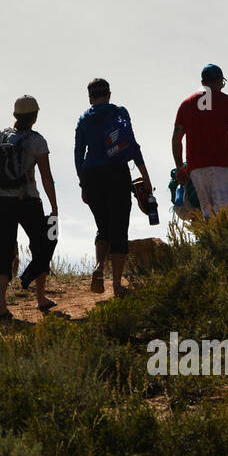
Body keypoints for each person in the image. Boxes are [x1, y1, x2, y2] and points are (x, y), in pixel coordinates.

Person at [74, 78, 154, 298]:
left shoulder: (83, 120)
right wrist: (144, 177)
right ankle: (117, 285)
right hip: (116, 173)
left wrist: (83, 183)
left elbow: (78, 154)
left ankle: (99, 267)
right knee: (118, 229)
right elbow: (133, 146)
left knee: (103, 227)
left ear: (90, 97)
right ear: (109, 94)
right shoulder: (119, 113)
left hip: (91, 175)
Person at [0, 96, 59, 319]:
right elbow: (46, 176)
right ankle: (40, 298)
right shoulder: (37, 141)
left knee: (3, 252)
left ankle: (1, 305)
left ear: (15, 115)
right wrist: (54, 207)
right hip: (27, 200)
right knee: (42, 245)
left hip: (0, 200)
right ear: (35, 116)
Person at [171, 64, 228, 218]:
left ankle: (210, 241)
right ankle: (224, 242)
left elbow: (176, 138)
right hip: (221, 165)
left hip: (196, 168)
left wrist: (179, 167)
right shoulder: (226, 101)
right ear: (219, 81)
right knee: (225, 217)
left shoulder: (186, 104)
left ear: (203, 82)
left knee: (207, 215)